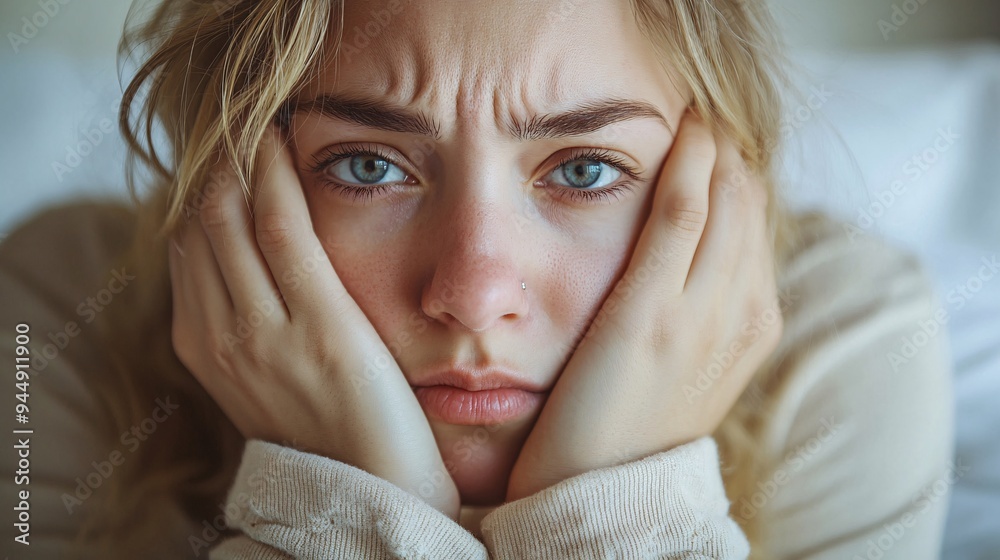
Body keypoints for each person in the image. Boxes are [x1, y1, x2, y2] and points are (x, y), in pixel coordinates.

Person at [0, 0, 954, 558]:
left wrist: (614, 508)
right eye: (368, 166)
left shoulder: (844, 335)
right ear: (232, 175)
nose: (474, 290)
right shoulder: (56, 308)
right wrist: (344, 503)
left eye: (584, 169)